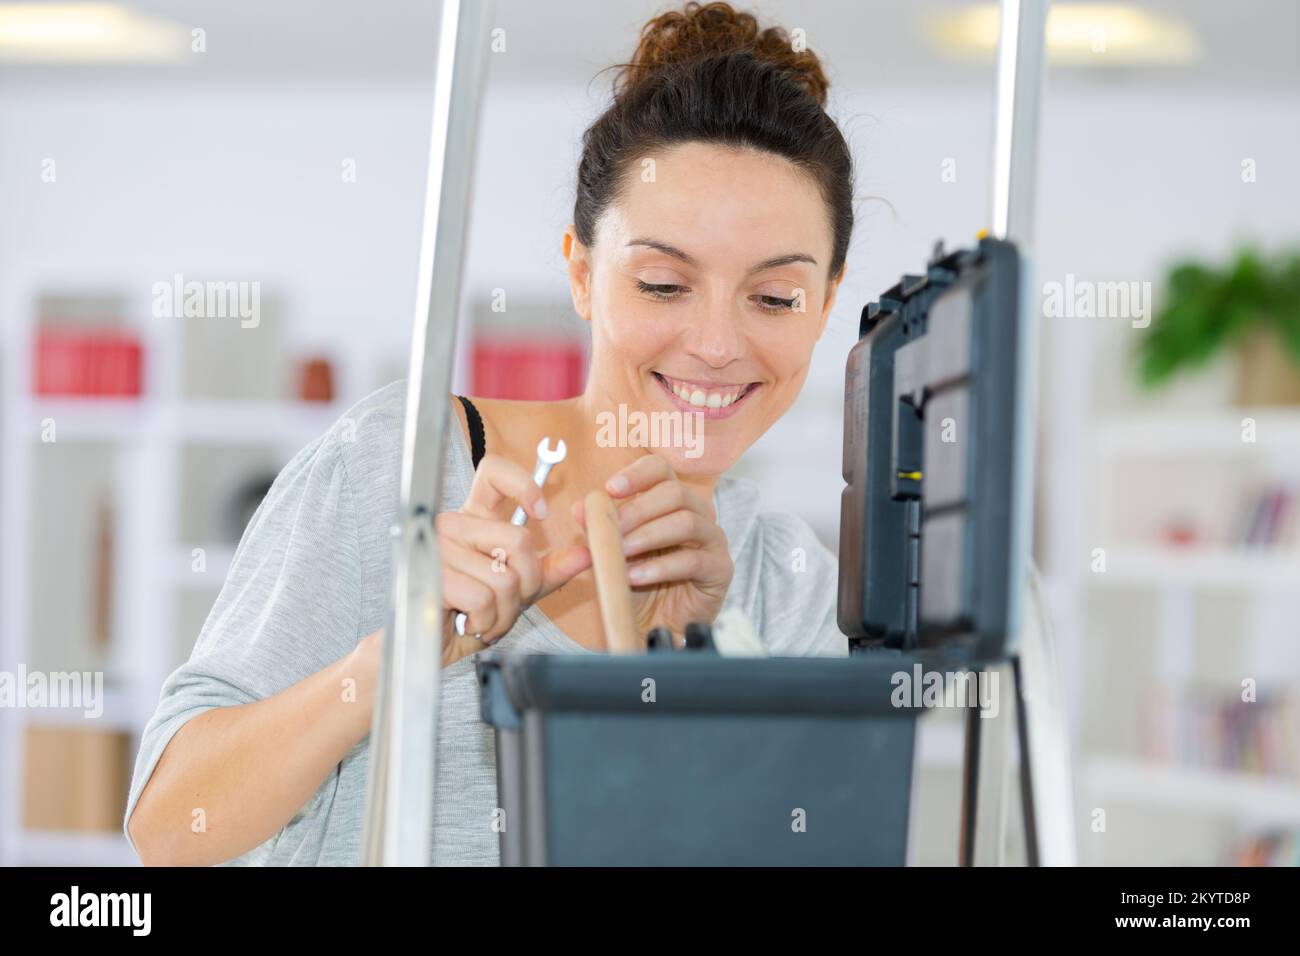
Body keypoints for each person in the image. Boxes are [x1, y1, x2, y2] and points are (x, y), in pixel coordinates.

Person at [125, 0, 856, 866]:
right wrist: (394, 657)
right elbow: (171, 825)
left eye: (774, 298)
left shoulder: (783, 582)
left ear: (826, 305)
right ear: (582, 276)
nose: (717, 343)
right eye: (664, 284)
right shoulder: (400, 468)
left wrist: (681, 668)